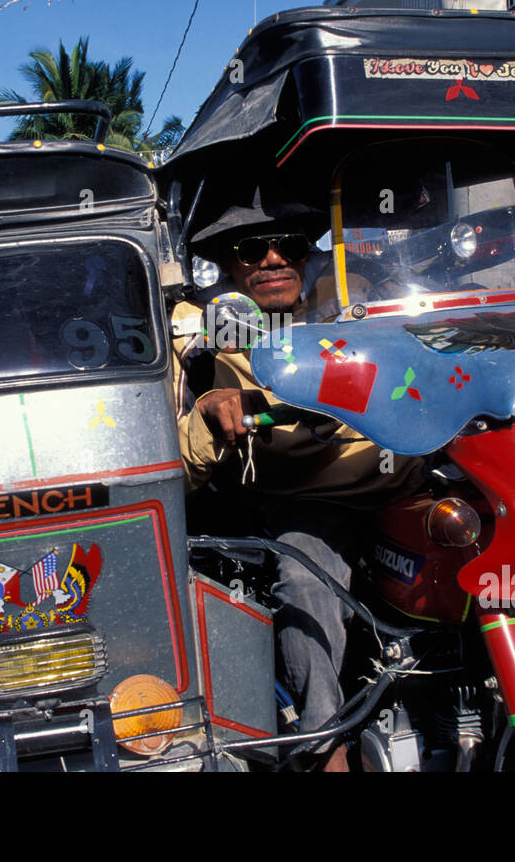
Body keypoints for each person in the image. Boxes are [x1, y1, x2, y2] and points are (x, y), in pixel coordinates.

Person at [172, 194, 424, 771]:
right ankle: (320, 745)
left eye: (287, 245)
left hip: (406, 472)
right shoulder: (209, 326)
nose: (272, 258)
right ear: (227, 264)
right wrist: (213, 408)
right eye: (250, 249)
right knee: (308, 577)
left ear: (308, 254)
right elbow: (180, 456)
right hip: (309, 495)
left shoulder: (356, 300)